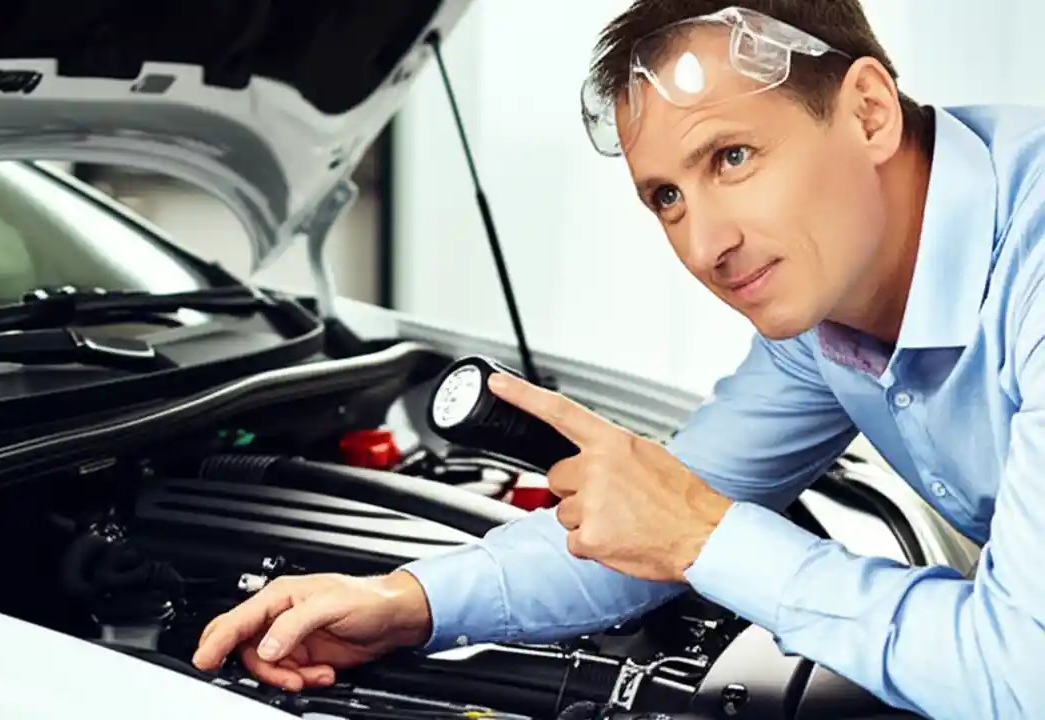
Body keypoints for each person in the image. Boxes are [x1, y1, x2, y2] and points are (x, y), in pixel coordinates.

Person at [194, 1, 1045, 717]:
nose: (708, 244)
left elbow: (1019, 676)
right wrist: (407, 603)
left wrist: (707, 535)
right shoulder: (820, 324)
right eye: (667, 197)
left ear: (868, 111)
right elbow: (652, 527)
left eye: (733, 157)